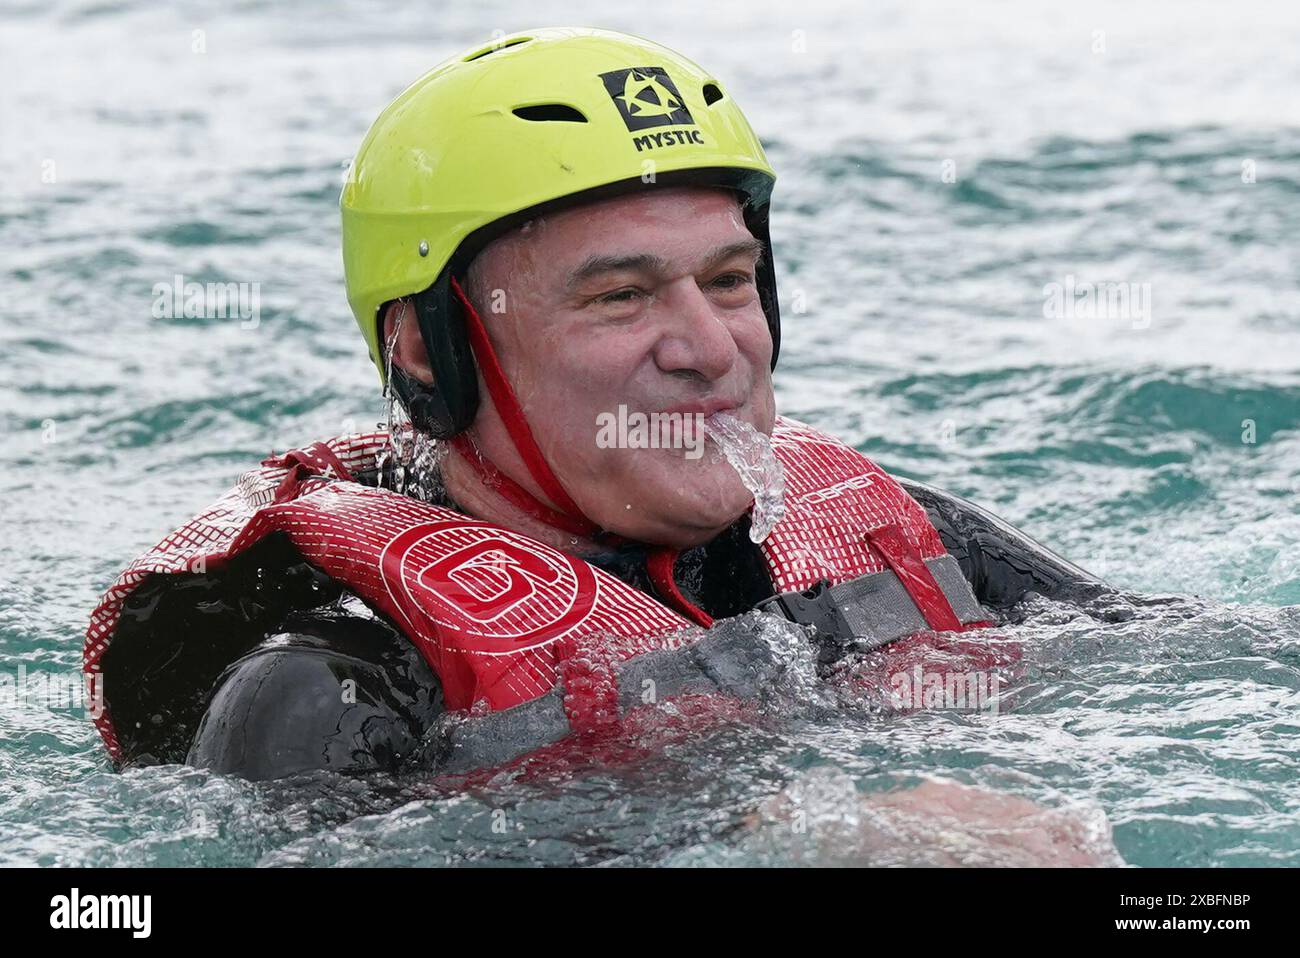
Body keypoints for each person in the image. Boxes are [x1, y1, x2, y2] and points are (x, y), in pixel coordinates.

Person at [86, 28, 1103, 789]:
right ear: (427, 352)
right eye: (619, 296)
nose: (708, 348)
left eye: (729, 280)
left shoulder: (891, 532)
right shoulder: (326, 693)